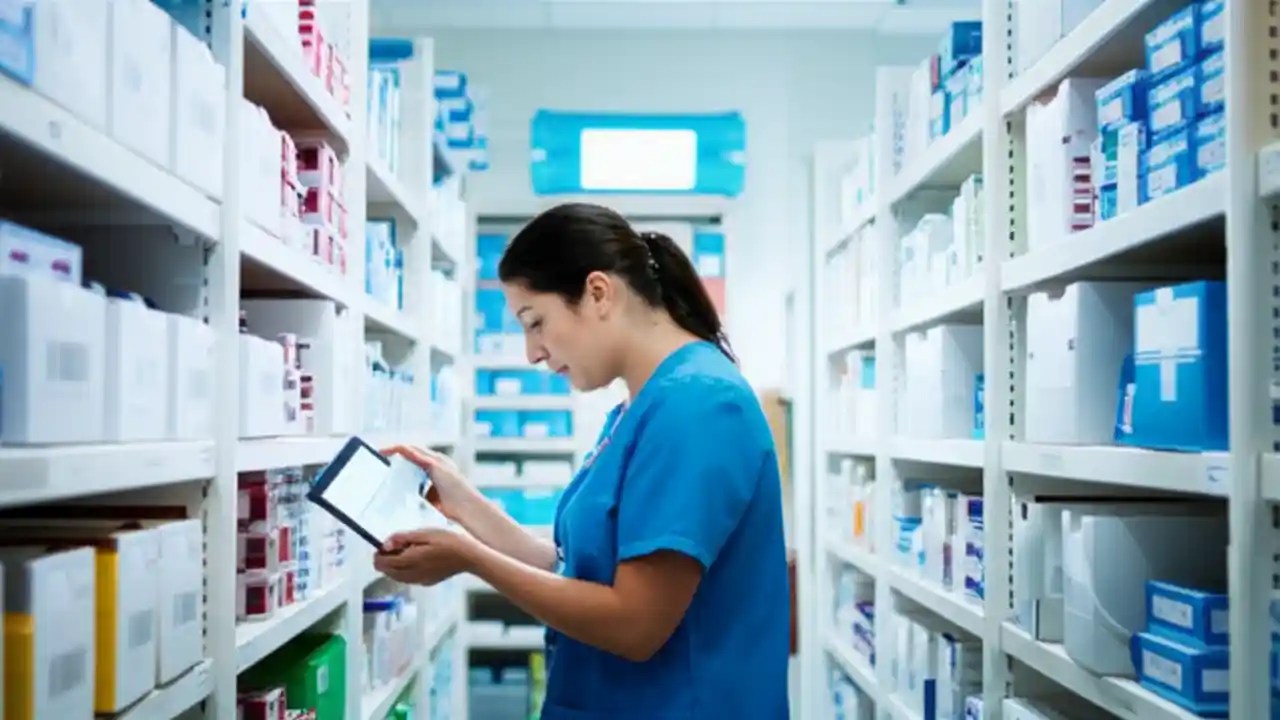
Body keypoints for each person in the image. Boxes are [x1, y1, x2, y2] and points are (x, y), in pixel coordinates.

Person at [374, 202, 790, 719]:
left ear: (597, 293)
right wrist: (464, 505)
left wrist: (470, 559)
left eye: (536, 322)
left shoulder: (698, 406)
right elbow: (575, 568)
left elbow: (635, 624)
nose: (532, 352)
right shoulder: (640, 406)